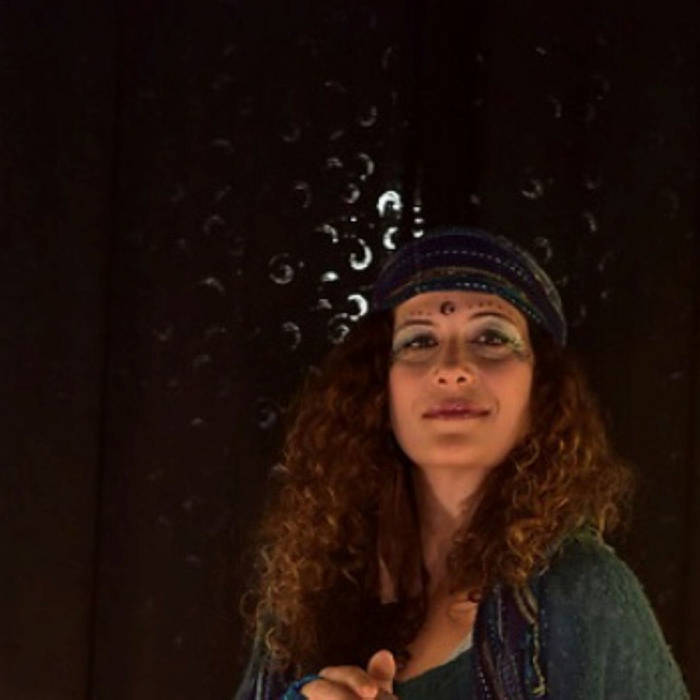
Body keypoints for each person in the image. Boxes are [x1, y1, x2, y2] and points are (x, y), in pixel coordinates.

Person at [234, 226, 689, 699]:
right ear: (378, 387)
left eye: (491, 337)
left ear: (543, 389)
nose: (451, 368)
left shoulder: (580, 593)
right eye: (419, 341)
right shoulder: (311, 599)